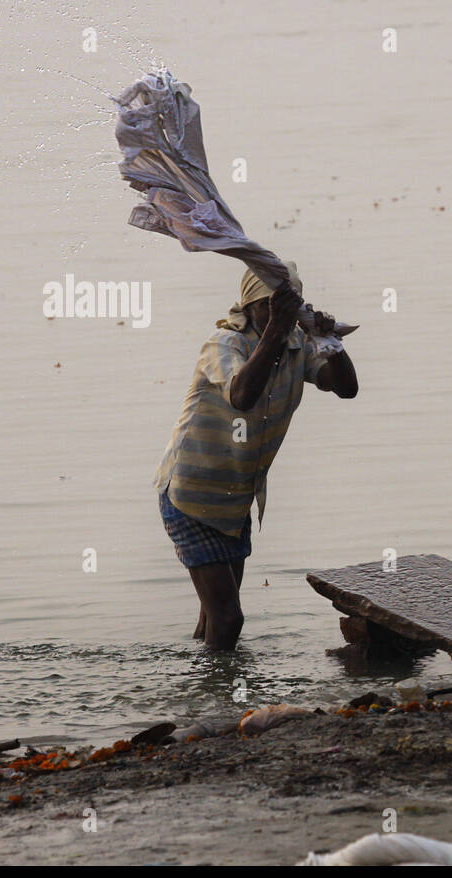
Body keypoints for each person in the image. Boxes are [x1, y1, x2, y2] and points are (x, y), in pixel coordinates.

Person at [154, 262, 357, 650]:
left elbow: (345, 388)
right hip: (191, 495)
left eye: (284, 307)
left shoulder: (296, 345)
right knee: (229, 619)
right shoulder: (225, 343)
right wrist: (278, 331)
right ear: (248, 306)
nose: (274, 316)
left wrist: (328, 340)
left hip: (234, 502)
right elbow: (242, 396)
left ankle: (205, 687)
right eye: (267, 306)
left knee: (215, 618)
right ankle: (220, 702)